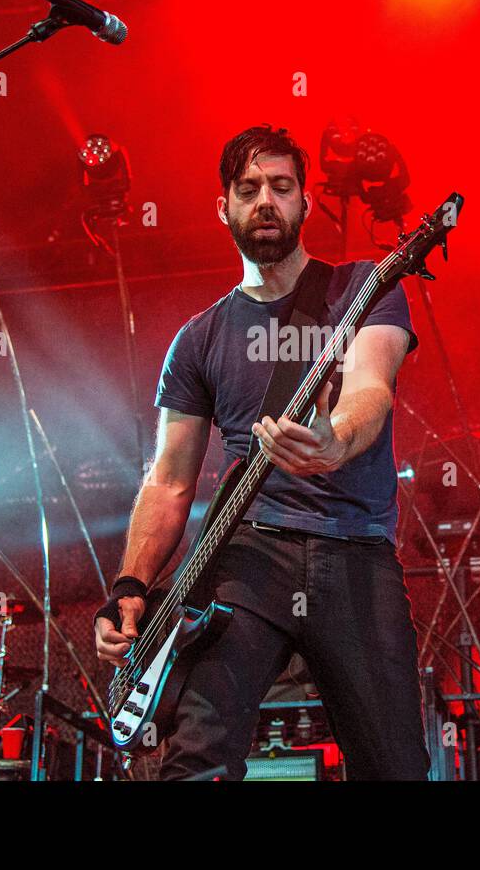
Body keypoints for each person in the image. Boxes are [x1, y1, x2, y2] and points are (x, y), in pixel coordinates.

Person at [94, 125, 429, 780]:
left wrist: (335, 439)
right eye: (248, 190)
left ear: (305, 202)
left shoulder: (366, 287)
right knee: (193, 761)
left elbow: (370, 391)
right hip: (247, 560)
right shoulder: (198, 339)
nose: (265, 202)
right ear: (224, 207)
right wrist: (131, 586)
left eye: (281, 187)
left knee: (395, 767)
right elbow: (168, 482)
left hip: (353, 552)